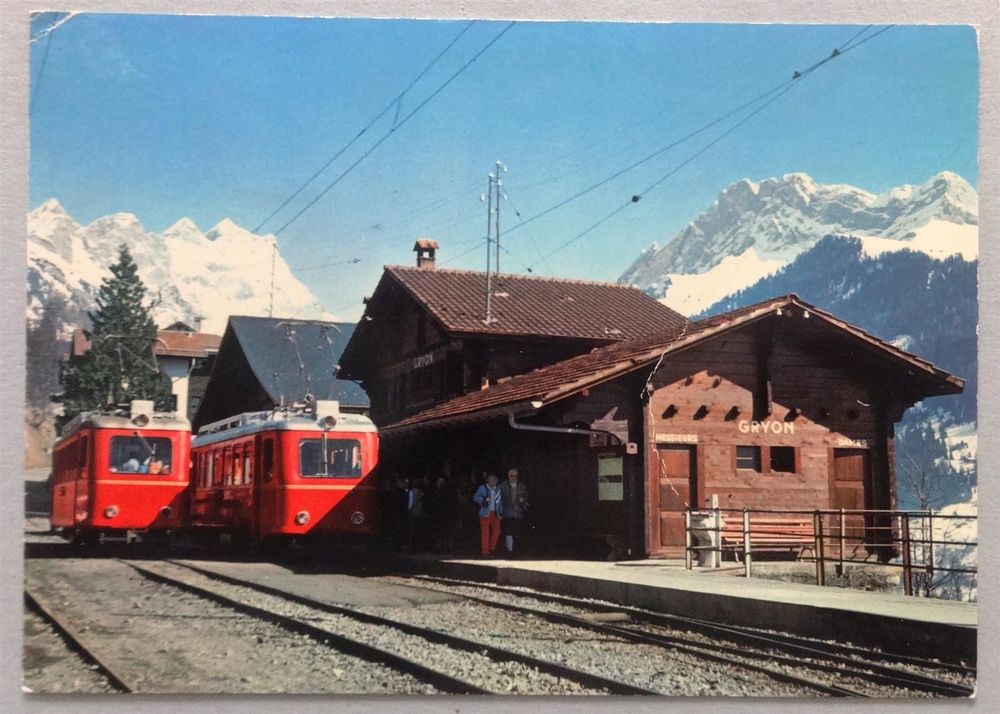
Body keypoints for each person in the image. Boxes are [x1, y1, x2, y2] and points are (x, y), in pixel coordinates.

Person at [499, 468, 529, 556]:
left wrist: (523, 501)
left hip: (518, 513)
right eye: (512, 476)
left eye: (515, 476)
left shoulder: (521, 486)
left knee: (516, 532)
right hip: (507, 512)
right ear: (508, 476)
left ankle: (516, 550)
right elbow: (498, 499)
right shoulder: (502, 486)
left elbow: (525, 497)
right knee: (508, 531)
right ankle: (509, 550)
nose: (513, 478)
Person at [472, 473, 502, 557]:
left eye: (495, 480)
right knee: (485, 532)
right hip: (485, 513)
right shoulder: (483, 488)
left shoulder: (498, 489)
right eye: (492, 479)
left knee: (497, 531)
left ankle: (491, 548)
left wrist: (500, 512)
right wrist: (484, 499)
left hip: (495, 513)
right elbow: (475, 497)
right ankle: (485, 551)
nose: (494, 481)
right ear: (488, 480)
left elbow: (500, 502)